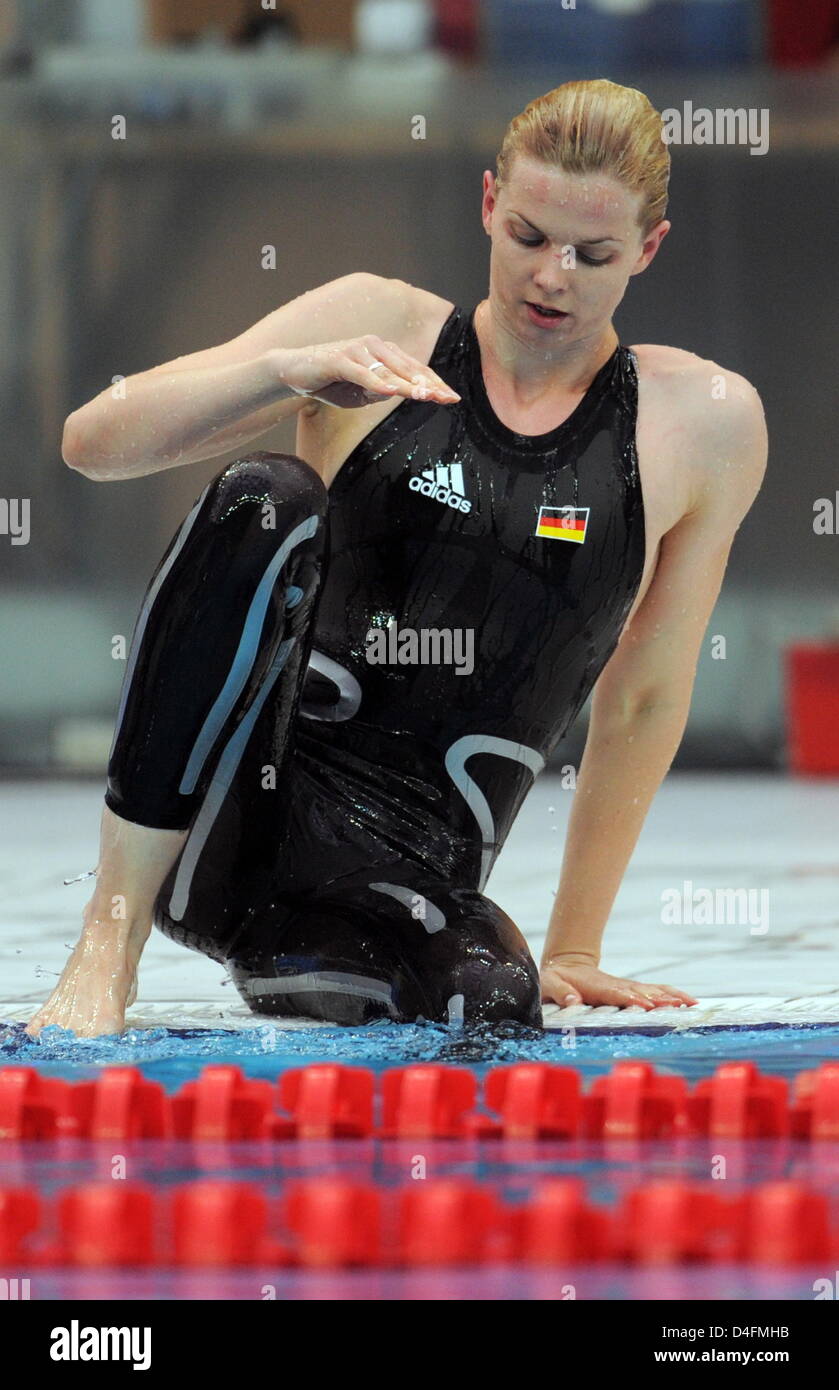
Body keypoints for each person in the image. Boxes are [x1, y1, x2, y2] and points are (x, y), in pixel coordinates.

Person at [26, 79, 766, 1039]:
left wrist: (574, 947)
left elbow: (646, 695)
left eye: (593, 255)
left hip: (390, 895)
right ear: (490, 200)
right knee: (266, 494)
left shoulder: (699, 424)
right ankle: (107, 942)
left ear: (648, 251)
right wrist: (281, 372)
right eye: (531, 237)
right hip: (222, 828)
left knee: (492, 1004)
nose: (553, 277)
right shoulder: (379, 326)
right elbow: (93, 441)